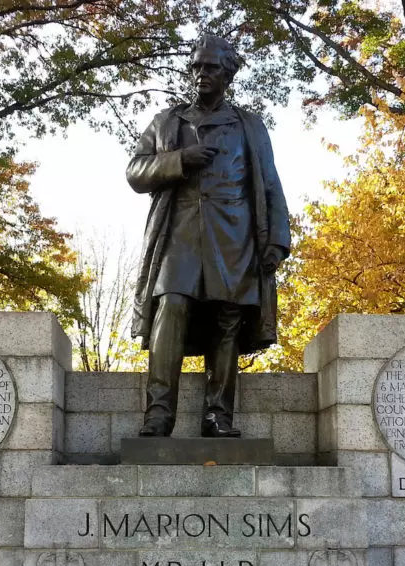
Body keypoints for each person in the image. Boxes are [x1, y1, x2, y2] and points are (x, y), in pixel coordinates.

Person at [126, 35, 290, 438]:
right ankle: (158, 414)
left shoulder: (248, 125)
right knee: (172, 306)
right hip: (179, 234)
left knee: (227, 319)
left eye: (211, 67)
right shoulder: (168, 121)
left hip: (234, 235)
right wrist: (179, 160)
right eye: (196, 66)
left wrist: (277, 241)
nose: (201, 74)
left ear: (227, 73)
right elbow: (135, 171)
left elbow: (269, 183)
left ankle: (218, 415)